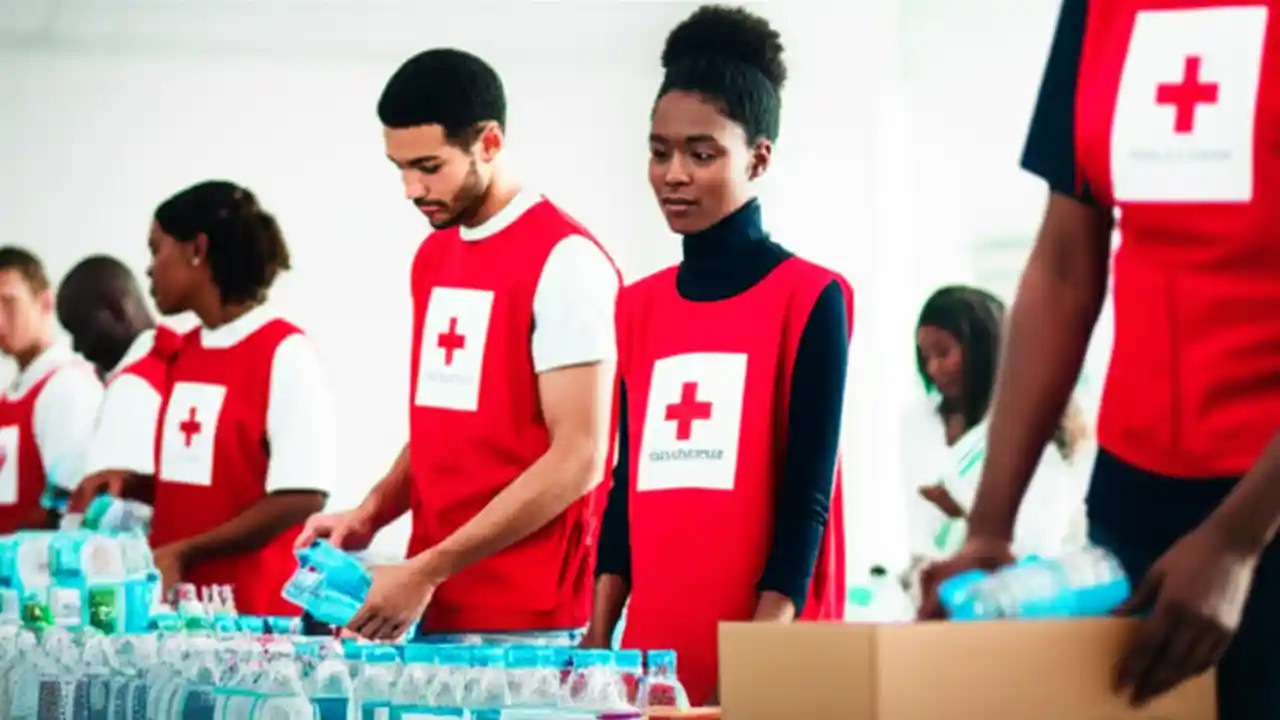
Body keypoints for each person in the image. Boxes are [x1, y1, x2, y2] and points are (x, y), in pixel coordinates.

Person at [919, 0, 1280, 716]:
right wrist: (990, 527)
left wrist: (1238, 540)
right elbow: (1062, 268)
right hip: (1135, 515)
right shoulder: (1097, 11)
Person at [297, 48, 620, 644]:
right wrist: (371, 513)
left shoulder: (565, 261)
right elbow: (449, 428)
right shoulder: (434, 255)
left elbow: (580, 458)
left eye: (428, 166)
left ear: (489, 143)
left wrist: (429, 567)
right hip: (432, 604)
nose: (410, 189)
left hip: (526, 625)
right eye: (398, 168)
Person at [581, 6, 851, 706]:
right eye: (659, 150)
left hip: (766, 655)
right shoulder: (638, 307)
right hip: (653, 660)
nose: (674, 174)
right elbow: (625, 488)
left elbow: (806, 504)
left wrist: (752, 672)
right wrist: (595, 642)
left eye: (702, 154)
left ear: (758, 158)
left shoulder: (811, 297)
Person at [145, 180, 336, 615]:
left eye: (157, 249)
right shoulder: (184, 351)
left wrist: (187, 551)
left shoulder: (284, 352)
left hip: (256, 614)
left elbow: (303, 494)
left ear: (198, 249)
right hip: (179, 610)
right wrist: (127, 485)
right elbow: (203, 480)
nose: (149, 269)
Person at [903, 285, 1089, 575]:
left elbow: (1039, 540)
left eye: (943, 353)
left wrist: (966, 512)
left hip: (1016, 595)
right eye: (924, 356)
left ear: (982, 350)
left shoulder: (1033, 428)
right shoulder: (920, 422)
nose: (933, 368)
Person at [56, 256, 172, 512]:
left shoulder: (130, 387)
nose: (78, 347)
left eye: (81, 330)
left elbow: (108, 509)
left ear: (116, 309)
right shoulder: (180, 357)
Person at [0, 247, 103, 530]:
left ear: (45, 302)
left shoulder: (67, 387)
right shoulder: (13, 393)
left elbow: (72, 507)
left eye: (9, 303)